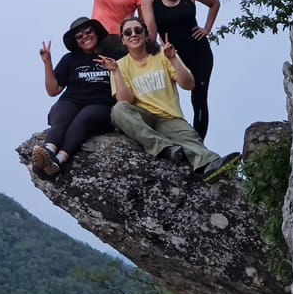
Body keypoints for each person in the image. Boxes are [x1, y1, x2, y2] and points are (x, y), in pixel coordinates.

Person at [95, 17, 240, 183]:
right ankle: (164, 148)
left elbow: (189, 84)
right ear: (123, 40)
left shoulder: (162, 56)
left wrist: (173, 58)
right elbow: (125, 101)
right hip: (143, 118)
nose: (133, 34)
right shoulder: (119, 65)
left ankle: (212, 165)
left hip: (169, 118)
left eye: (138, 30)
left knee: (193, 144)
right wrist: (116, 72)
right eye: (127, 32)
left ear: (146, 35)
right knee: (119, 110)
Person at [141, 0, 220, 140]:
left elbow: (214, 2)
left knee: (199, 98)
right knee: (164, 97)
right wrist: (144, 55)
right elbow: (151, 30)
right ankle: (172, 138)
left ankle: (198, 145)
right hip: (171, 54)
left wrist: (207, 28)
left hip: (199, 52)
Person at [31, 17, 118, 177]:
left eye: (88, 31)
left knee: (84, 118)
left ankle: (59, 160)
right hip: (72, 100)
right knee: (61, 115)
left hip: (101, 104)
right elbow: (53, 90)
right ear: (75, 41)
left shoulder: (113, 55)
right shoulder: (70, 59)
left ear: (95, 32)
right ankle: (48, 152)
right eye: (79, 36)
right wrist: (47, 63)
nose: (85, 36)